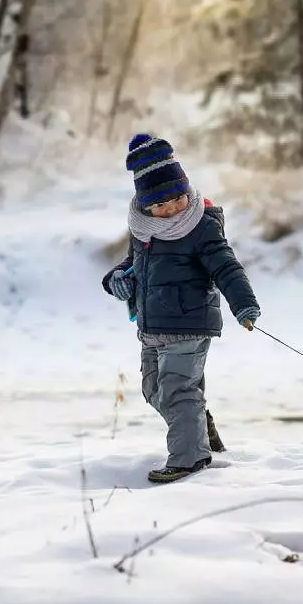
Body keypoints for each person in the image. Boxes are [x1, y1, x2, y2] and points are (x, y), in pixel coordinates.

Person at [103, 134, 261, 484]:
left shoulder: (200, 226)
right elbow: (132, 266)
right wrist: (116, 278)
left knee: (178, 390)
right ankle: (198, 427)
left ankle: (190, 458)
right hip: (152, 326)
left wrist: (244, 304)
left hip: (190, 323)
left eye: (177, 197)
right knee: (153, 389)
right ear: (146, 206)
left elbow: (227, 267)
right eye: (162, 204)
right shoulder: (144, 230)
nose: (173, 207)